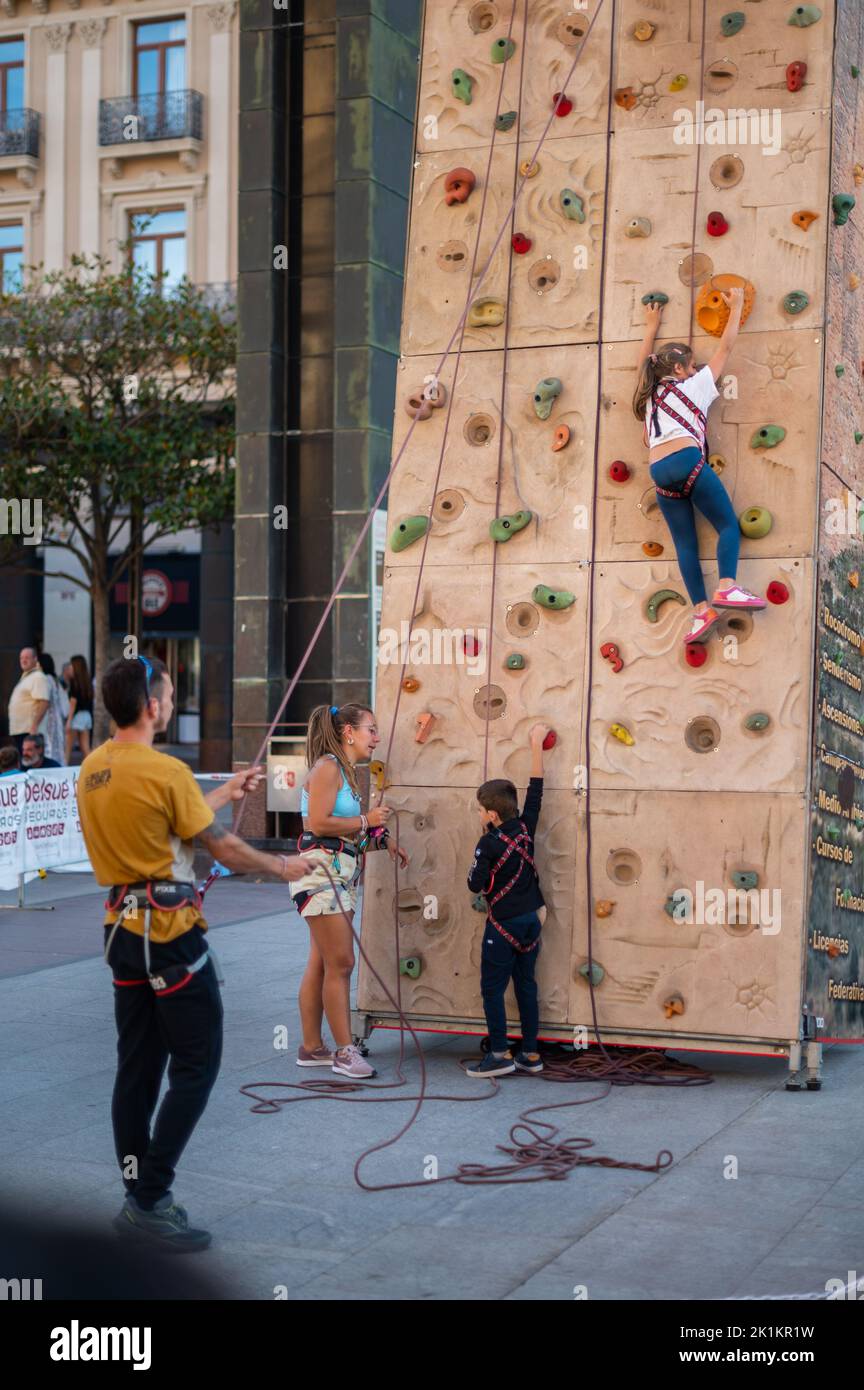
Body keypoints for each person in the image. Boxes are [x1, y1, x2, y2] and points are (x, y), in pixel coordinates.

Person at [75, 654, 313, 1253]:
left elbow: (162, 820)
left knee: (137, 1070)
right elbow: (226, 850)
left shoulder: (94, 769)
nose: (172, 701)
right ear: (152, 705)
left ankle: (140, 1194)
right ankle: (150, 1197)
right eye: (171, 692)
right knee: (197, 1064)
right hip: (171, 935)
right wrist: (286, 864)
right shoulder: (166, 771)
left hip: (122, 935)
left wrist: (226, 790)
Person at [634, 291, 766, 645]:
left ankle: (701, 611)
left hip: (659, 476)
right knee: (726, 525)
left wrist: (652, 325)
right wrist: (736, 306)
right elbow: (726, 347)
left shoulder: (648, 394)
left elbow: (642, 361)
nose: (696, 370)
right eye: (690, 365)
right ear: (679, 370)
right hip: (687, 462)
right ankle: (727, 587)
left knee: (686, 545)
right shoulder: (695, 385)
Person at [293, 704, 408, 1079]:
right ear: (348, 733)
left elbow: (340, 831)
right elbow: (319, 822)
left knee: (322, 961)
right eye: (371, 730)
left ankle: (312, 1048)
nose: (376, 738)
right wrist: (365, 820)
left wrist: (378, 839)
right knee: (342, 963)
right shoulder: (328, 767)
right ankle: (345, 1052)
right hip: (322, 875)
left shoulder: (344, 770)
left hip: (337, 873)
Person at [465, 723, 549, 1078]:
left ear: (493, 815)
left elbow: (475, 885)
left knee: (492, 989)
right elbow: (536, 792)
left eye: (481, 810)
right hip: (532, 921)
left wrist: (482, 851)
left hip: (502, 926)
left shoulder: (489, 843)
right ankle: (529, 1053)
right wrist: (536, 746)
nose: (479, 814)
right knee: (526, 984)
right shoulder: (526, 828)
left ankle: (499, 1053)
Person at [7, 648, 50, 754]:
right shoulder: (27, 677)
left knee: (30, 762)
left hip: (29, 731)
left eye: (27, 657)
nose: (23, 660)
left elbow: (44, 702)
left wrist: (34, 726)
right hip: (20, 730)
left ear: (35, 659)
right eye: (21, 658)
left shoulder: (38, 677)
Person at [34, 653, 66, 765]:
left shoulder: (45, 679)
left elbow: (45, 701)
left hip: (49, 718)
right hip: (57, 718)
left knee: (50, 746)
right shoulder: (54, 679)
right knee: (57, 747)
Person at [65, 654, 94, 763]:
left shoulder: (74, 682)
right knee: (85, 748)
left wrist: (69, 721)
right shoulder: (87, 682)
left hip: (76, 717)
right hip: (86, 716)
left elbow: (73, 702)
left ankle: (63, 771)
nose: (70, 668)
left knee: (68, 748)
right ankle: (94, 768)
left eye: (71, 665)